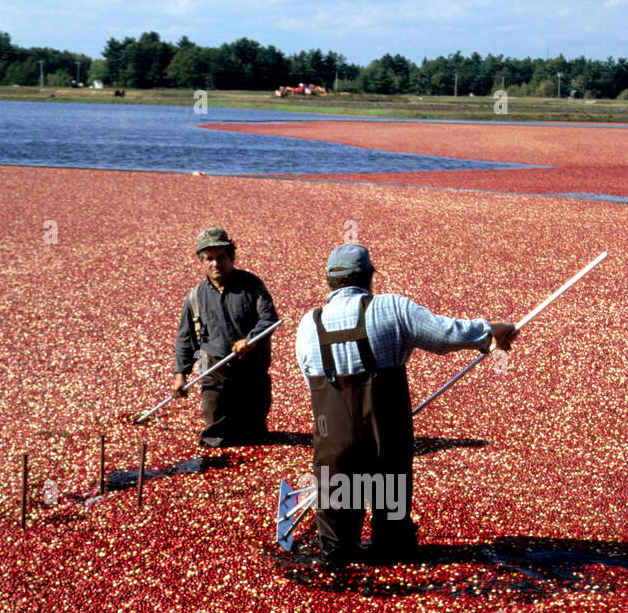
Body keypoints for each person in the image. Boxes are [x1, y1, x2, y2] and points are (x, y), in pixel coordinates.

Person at [295, 242, 518, 570]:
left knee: (336, 547)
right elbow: (444, 336)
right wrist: (490, 331)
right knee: (392, 538)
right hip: (385, 441)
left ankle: (342, 574)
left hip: (335, 447)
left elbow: (311, 384)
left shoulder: (308, 326)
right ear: (369, 276)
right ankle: (392, 558)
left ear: (329, 281)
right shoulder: (391, 308)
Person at [172, 226, 279, 447]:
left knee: (253, 434)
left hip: (251, 370)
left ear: (231, 256)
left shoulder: (251, 286)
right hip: (214, 370)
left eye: (221, 257)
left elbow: (269, 319)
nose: (215, 263)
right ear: (201, 261)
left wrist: (250, 339)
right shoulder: (195, 297)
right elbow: (186, 337)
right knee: (215, 436)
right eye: (208, 258)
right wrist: (180, 374)